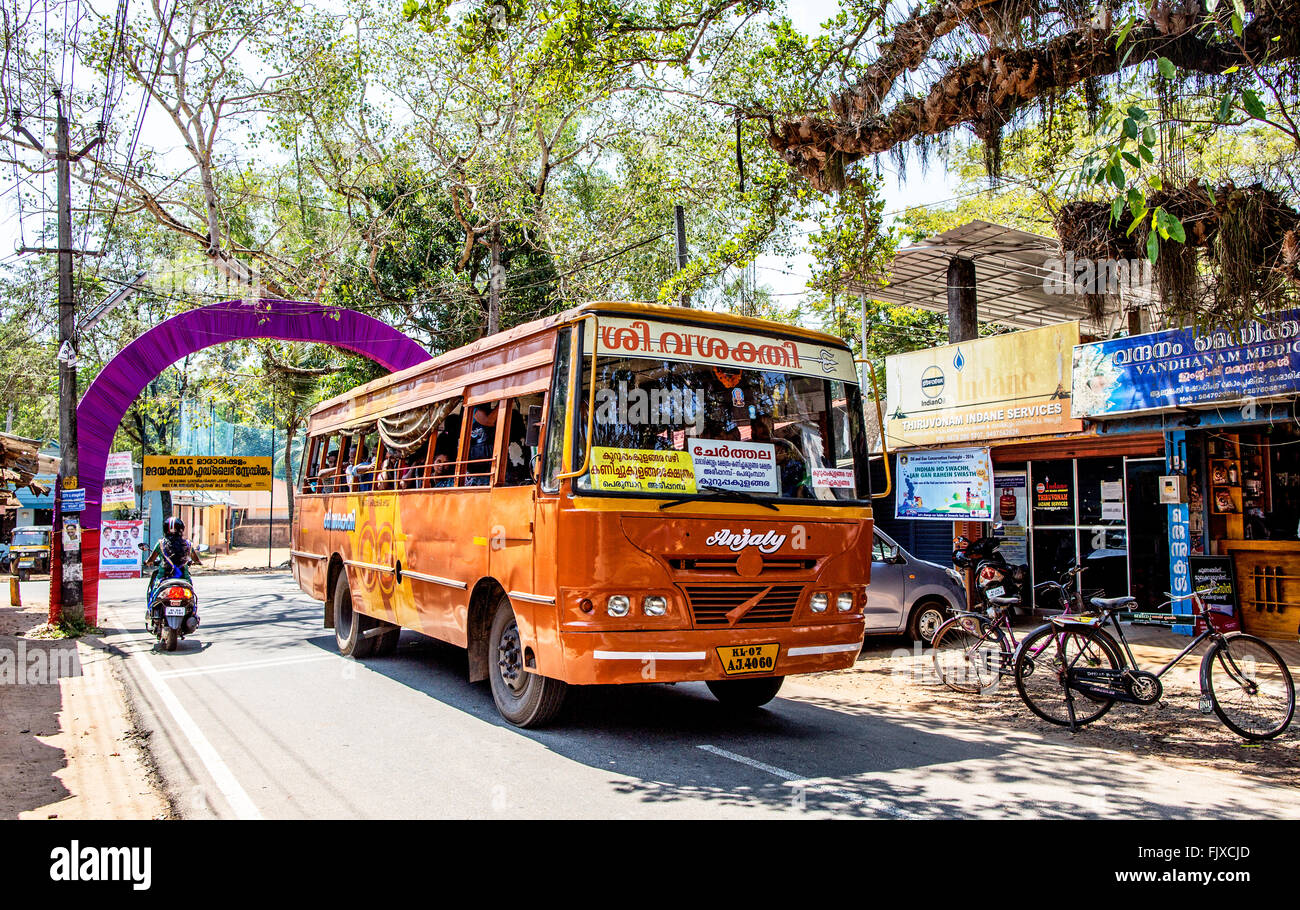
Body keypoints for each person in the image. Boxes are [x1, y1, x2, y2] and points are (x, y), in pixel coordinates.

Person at [144, 516, 202, 609]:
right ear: (182, 529)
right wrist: (197, 562)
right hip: (183, 578)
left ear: (165, 529)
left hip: (163, 578)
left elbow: (151, 560)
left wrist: (147, 562)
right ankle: (193, 613)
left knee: (154, 594)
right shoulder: (188, 544)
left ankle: (151, 612)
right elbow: (196, 560)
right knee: (191, 597)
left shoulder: (161, 544)